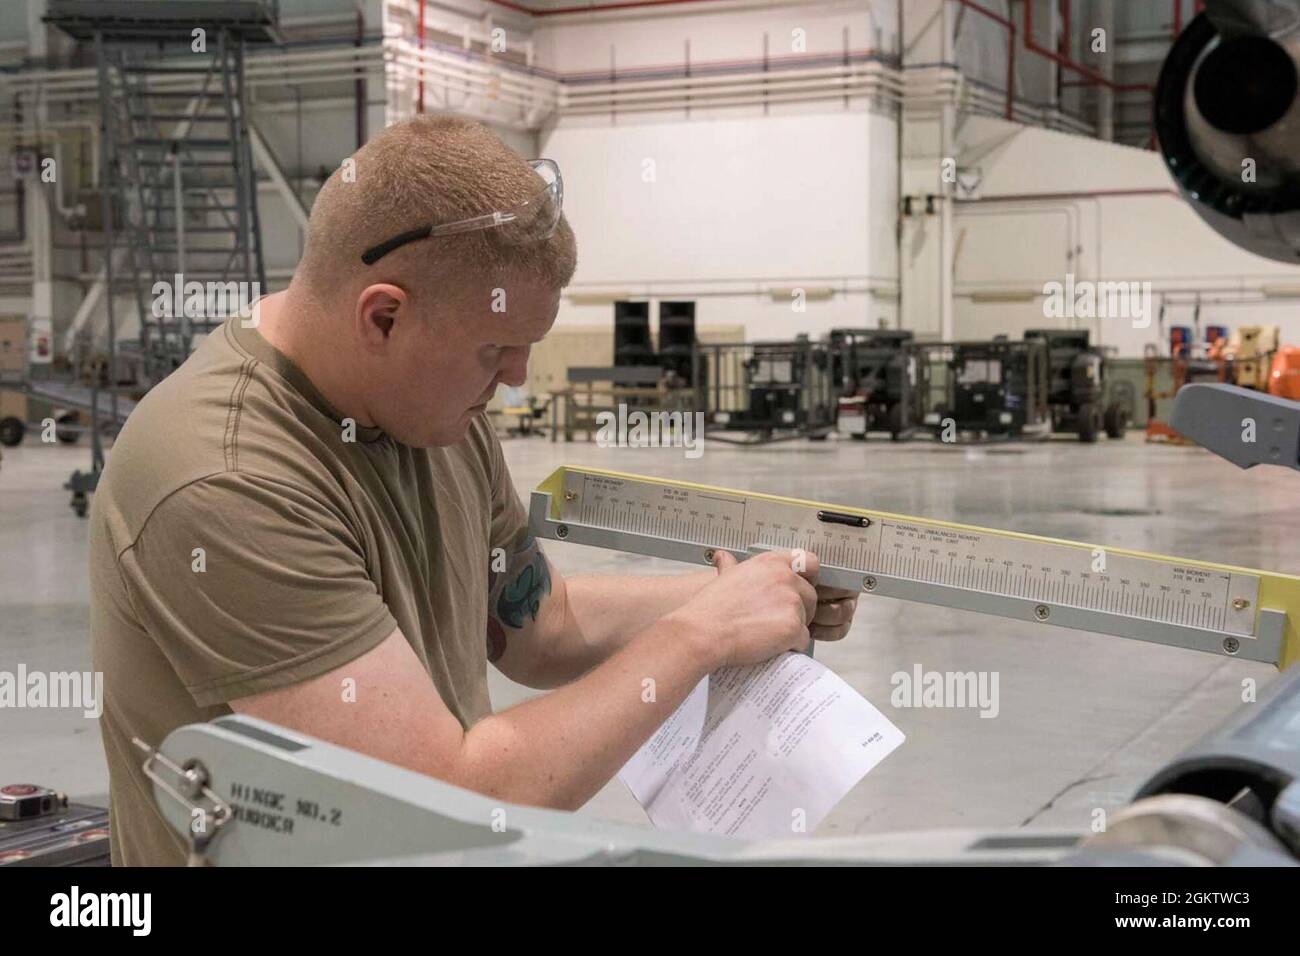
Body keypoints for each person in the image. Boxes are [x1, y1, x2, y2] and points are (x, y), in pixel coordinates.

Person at [88, 114, 859, 865]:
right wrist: (702, 637)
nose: (517, 380)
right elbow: (442, 803)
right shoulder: (223, 480)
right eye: (496, 349)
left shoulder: (436, 411)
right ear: (383, 316)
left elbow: (537, 624)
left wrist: (738, 594)